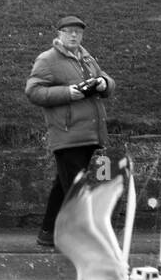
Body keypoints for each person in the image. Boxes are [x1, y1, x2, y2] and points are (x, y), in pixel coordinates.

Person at [25, 15, 116, 247]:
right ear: (59, 34)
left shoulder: (86, 57)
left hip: (88, 133)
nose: (74, 35)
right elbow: (33, 92)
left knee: (63, 185)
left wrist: (105, 84)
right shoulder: (47, 59)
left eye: (78, 32)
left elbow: (104, 77)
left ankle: (48, 233)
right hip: (67, 134)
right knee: (76, 189)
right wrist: (68, 93)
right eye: (69, 31)